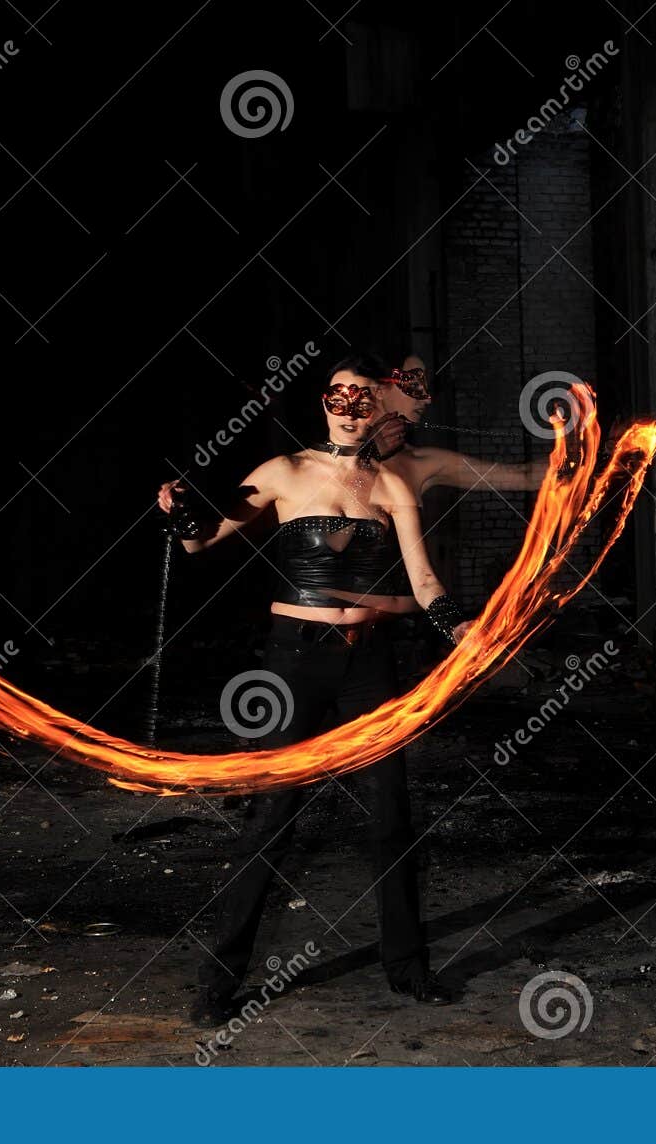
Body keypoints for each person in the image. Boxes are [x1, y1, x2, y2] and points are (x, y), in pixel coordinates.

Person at [156, 353, 470, 1025]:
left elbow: (422, 579)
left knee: (392, 815)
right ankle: (217, 987)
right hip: (294, 661)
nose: (350, 403)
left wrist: (460, 626)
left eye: (363, 394)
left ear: (378, 408)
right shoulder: (285, 472)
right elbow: (200, 541)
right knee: (271, 819)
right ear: (323, 401)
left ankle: (407, 968)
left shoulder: (391, 485)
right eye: (339, 392)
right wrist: (181, 511)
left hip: (368, 664)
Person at [365, 353, 572, 498]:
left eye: (426, 386)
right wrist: (367, 456)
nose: (427, 399)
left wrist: (590, 458)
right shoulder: (337, 454)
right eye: (413, 385)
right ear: (379, 390)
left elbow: (524, 476)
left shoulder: (420, 462)